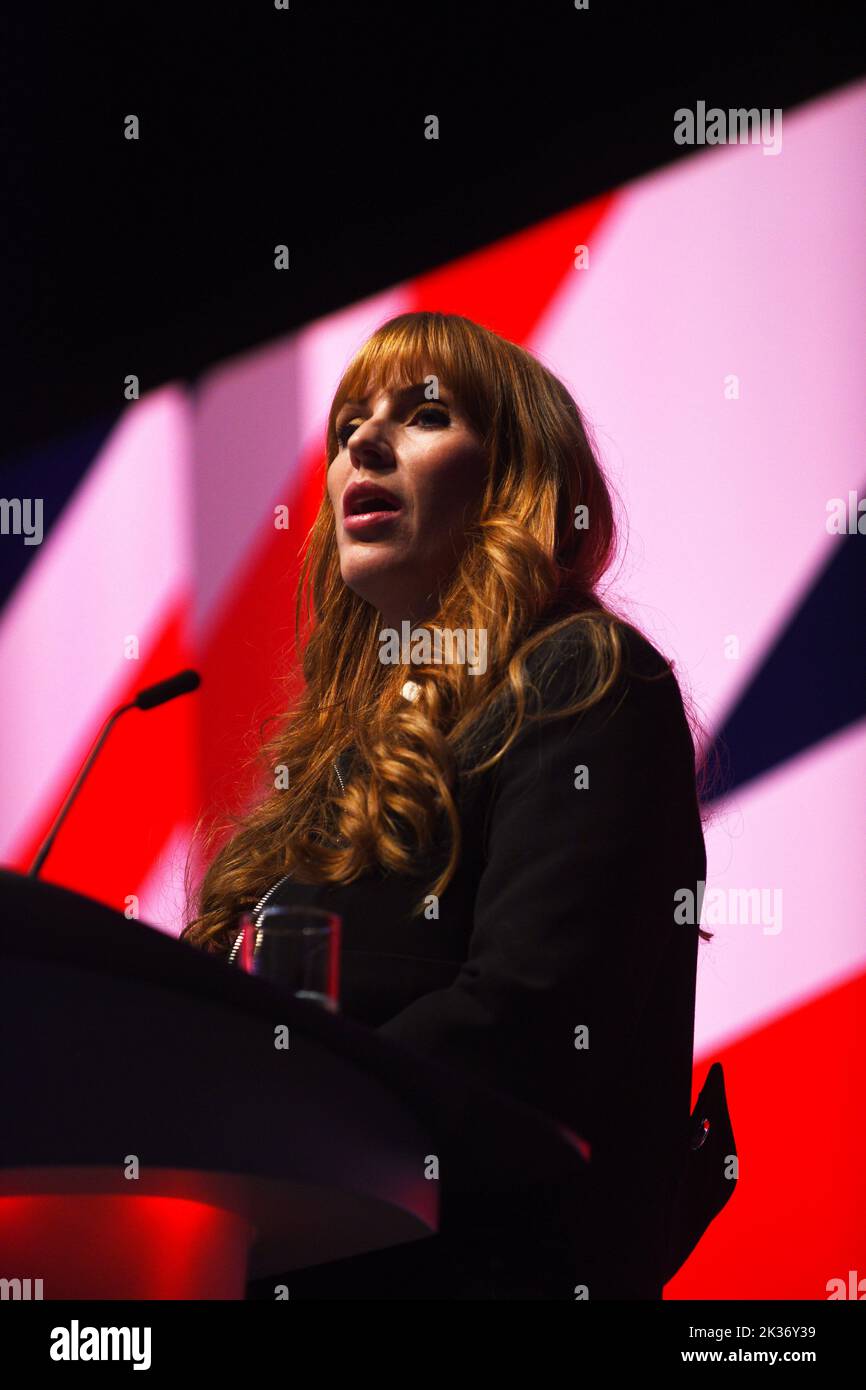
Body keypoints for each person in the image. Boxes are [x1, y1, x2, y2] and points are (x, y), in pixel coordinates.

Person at [181, 310, 709, 1299]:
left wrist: (260, 1122)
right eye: (346, 428)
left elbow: (524, 1021)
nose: (363, 443)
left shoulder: (584, 675)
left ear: (516, 478)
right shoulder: (336, 769)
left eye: (421, 416)